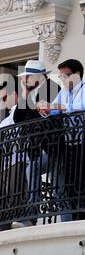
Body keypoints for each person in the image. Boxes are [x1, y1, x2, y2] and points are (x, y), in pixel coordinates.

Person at [47, 59, 85, 221]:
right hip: (71, 143)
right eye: (61, 76)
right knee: (70, 184)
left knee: (83, 183)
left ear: (76, 75)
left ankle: (83, 220)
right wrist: (45, 109)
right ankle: (74, 220)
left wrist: (58, 108)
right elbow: (53, 108)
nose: (62, 79)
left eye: (65, 75)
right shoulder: (64, 92)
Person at [8, 61, 55, 225]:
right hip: (39, 148)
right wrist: (24, 93)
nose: (25, 79)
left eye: (28, 77)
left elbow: (42, 118)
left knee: (60, 188)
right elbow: (17, 119)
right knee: (32, 171)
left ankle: (32, 215)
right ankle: (31, 214)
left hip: (54, 147)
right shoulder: (32, 93)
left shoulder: (51, 88)